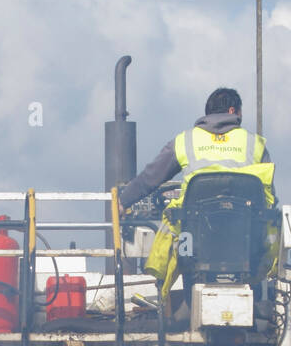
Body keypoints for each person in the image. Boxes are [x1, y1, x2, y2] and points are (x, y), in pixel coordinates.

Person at [118, 87, 277, 298]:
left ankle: (184, 303)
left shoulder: (185, 141)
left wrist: (124, 200)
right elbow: (268, 195)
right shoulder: (254, 143)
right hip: (246, 245)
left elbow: (151, 176)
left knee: (183, 246)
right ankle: (257, 307)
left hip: (193, 245)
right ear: (233, 111)